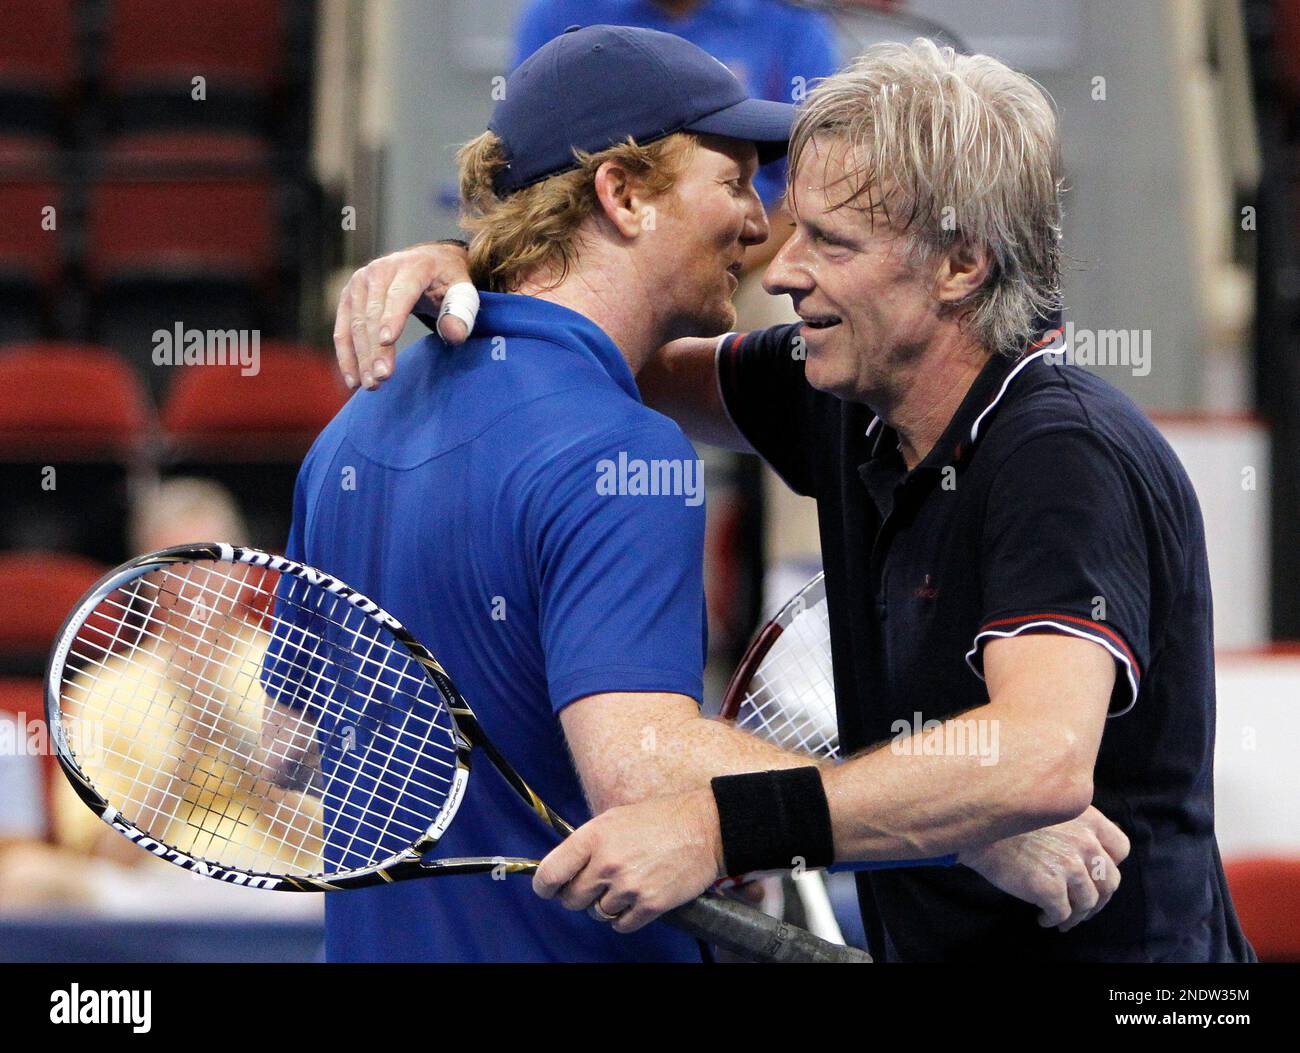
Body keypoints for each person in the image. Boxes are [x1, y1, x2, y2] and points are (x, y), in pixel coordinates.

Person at [333, 38, 1252, 962]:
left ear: (960, 266)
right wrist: (467, 258)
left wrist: (720, 826)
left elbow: (1036, 760)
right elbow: (601, 338)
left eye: (832, 242)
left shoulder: (1062, 455)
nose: (779, 265)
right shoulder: (843, 392)